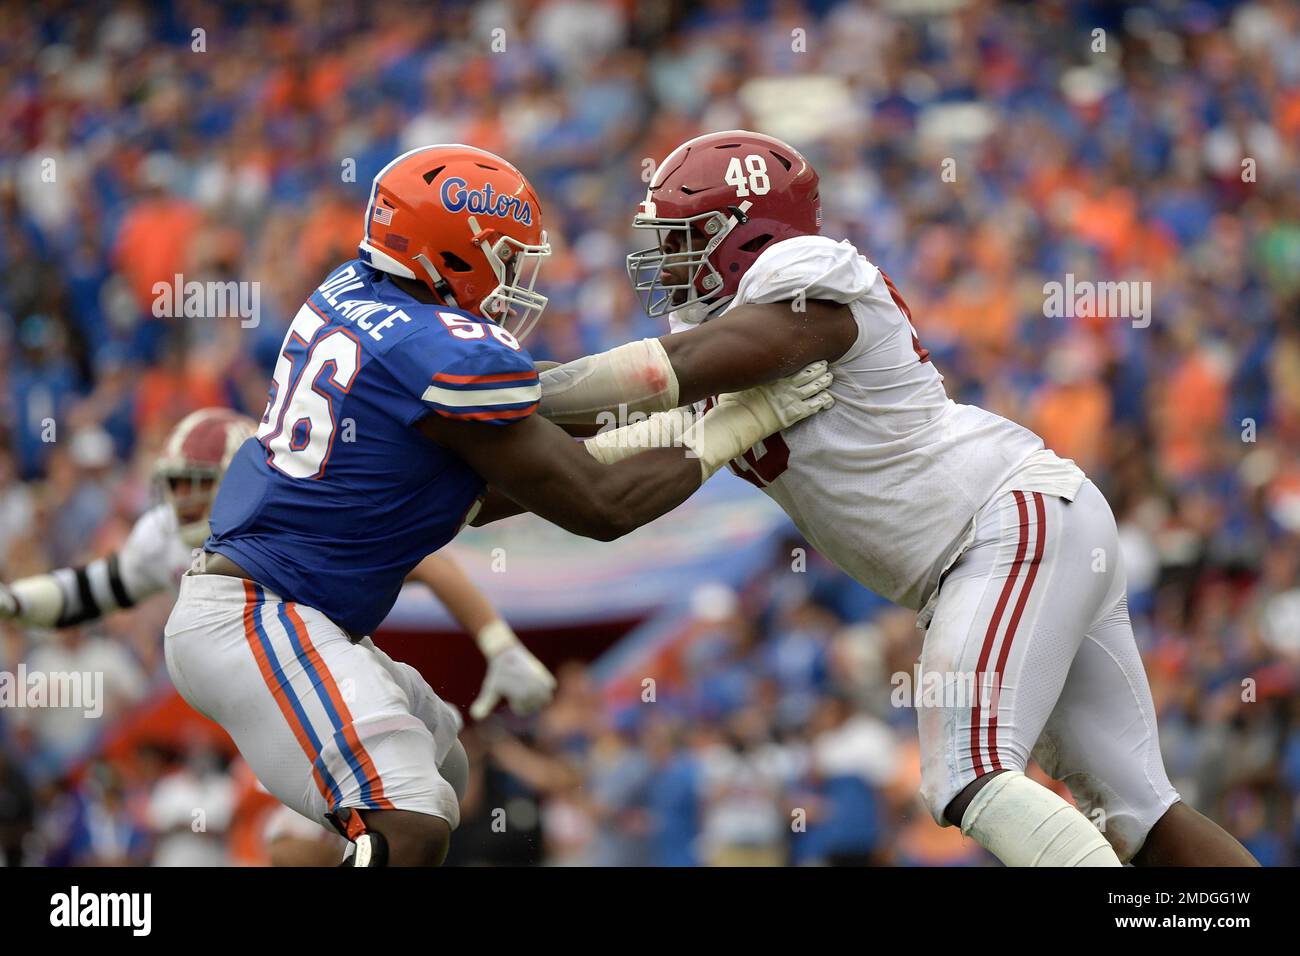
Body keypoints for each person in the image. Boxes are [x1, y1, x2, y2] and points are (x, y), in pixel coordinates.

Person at [535, 129, 1258, 867]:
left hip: (1005, 526)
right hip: (1029, 529)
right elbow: (594, 451)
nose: (671, 261)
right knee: (1137, 813)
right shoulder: (718, 337)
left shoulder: (801, 278)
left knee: (965, 773)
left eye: (688, 238)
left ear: (748, 232)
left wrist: (502, 388)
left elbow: (670, 370)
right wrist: (470, 437)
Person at [163, 143, 835, 866]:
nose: (516, 274)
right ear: (455, 253)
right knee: (407, 821)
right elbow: (599, 505)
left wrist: (663, 417)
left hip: (290, 616)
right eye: (506, 253)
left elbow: (498, 470)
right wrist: (723, 427)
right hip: (259, 616)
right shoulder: (438, 351)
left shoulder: (353, 293)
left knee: (449, 773)